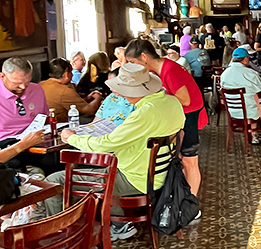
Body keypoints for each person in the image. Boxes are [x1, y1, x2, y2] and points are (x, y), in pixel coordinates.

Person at [44, 64, 186, 238]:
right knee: (98, 169)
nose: (122, 95)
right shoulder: (172, 102)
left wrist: (71, 138)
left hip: (135, 179)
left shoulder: (143, 114)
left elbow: (107, 144)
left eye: (124, 90)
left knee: (55, 181)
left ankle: (64, 238)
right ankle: (113, 222)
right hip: (164, 174)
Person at [124, 39, 208, 198]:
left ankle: (191, 204)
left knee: (190, 162)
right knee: (182, 160)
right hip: (181, 116)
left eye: (133, 62)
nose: (133, 66)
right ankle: (183, 198)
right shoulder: (158, 71)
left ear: (144, 57)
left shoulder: (169, 70)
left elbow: (185, 100)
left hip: (190, 115)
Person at [0, 56, 49, 172]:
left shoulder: (36, 90)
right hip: (6, 147)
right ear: (2, 76)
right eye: (17, 83)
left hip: (37, 143)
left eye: (27, 82)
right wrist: (24, 143)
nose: (22, 87)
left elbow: (44, 118)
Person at [219, 47, 261, 142]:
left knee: (250, 100)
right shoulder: (250, 73)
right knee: (256, 101)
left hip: (232, 111)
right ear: (245, 59)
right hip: (250, 111)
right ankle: (256, 134)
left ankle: (253, 133)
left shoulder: (224, 74)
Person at [39, 57, 102, 121]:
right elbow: (90, 110)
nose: (72, 74)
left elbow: (69, 102)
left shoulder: (40, 84)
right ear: (66, 74)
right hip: (60, 124)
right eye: (71, 72)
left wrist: (87, 98)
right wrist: (98, 98)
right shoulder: (65, 91)